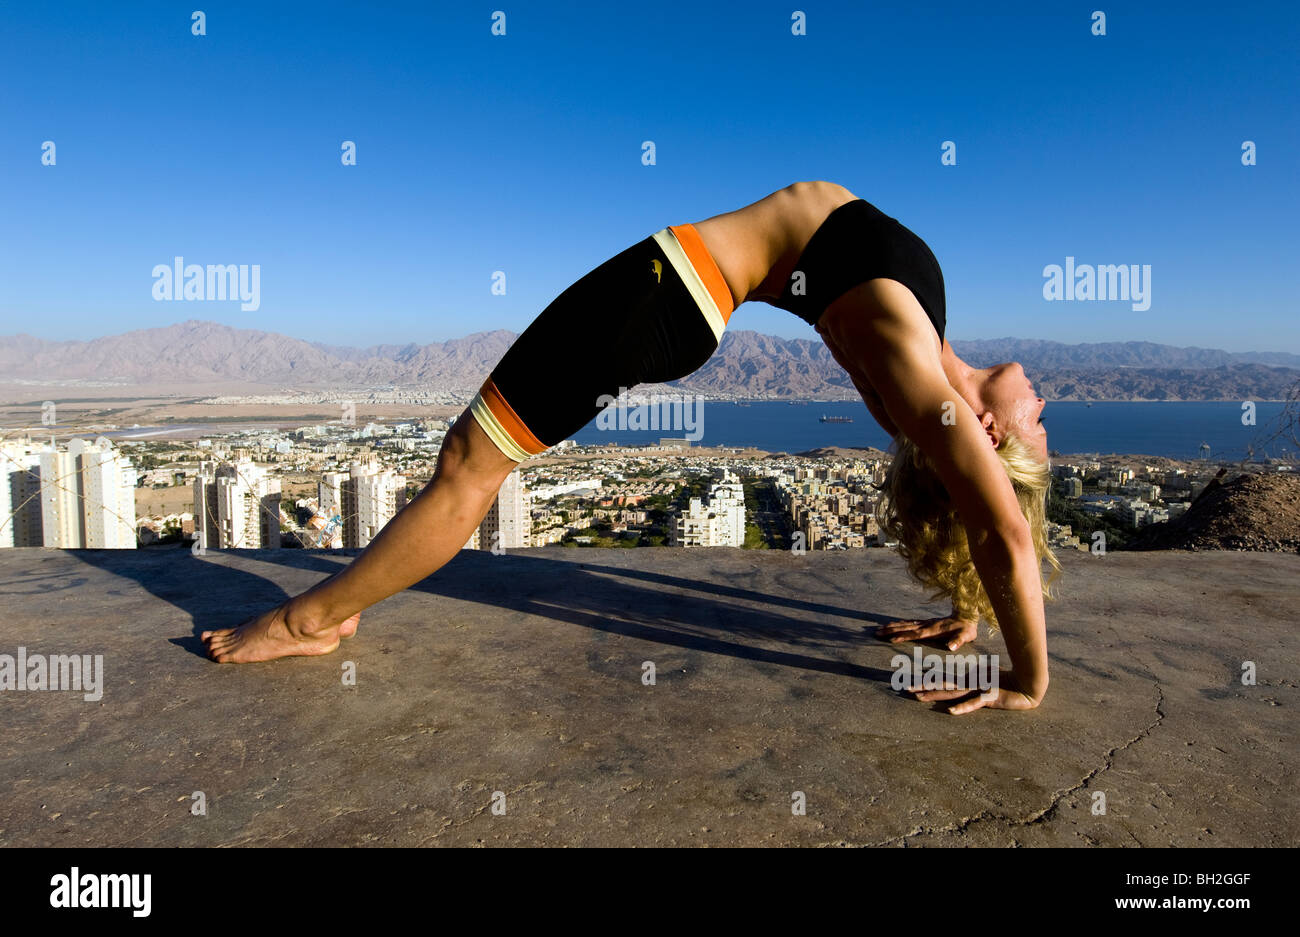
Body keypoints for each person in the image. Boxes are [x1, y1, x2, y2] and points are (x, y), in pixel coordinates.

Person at [203, 181, 1059, 715]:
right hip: (672, 290)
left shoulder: (919, 380)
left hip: (661, 299)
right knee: (469, 460)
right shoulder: (926, 364)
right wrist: (967, 609)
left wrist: (1027, 678)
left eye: (1039, 431)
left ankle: (306, 619)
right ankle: (332, 607)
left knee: (470, 464)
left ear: (987, 437)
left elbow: (999, 530)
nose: (1046, 408)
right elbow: (971, 511)